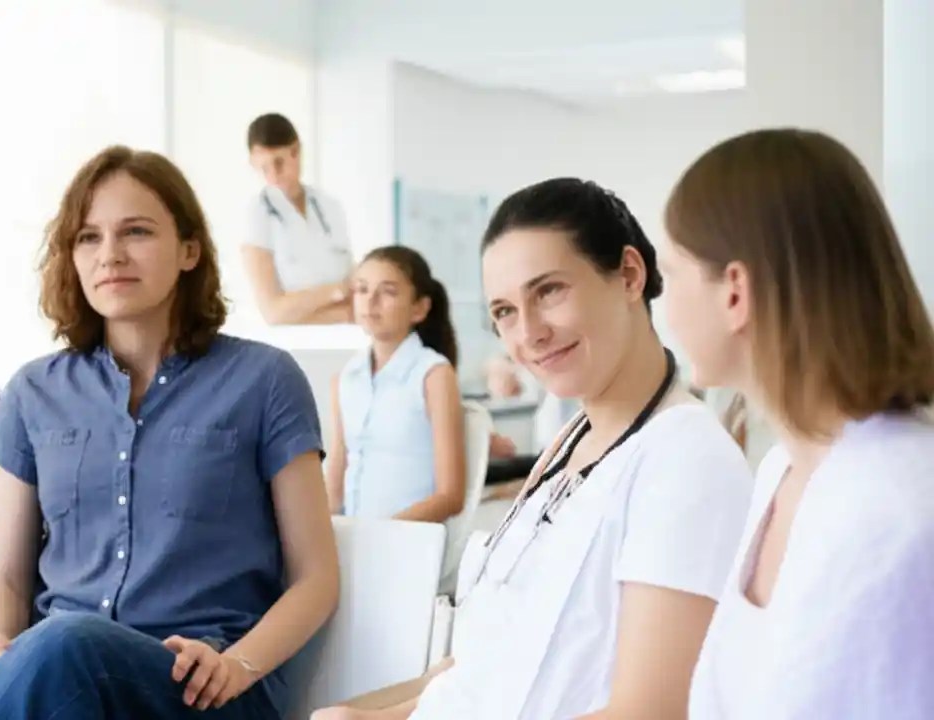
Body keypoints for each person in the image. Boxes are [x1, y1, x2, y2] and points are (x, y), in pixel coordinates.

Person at [314, 178, 754, 720]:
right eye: (503, 311)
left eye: (549, 291)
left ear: (630, 275)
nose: (530, 333)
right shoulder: (570, 446)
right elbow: (485, 665)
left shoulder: (686, 460)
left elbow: (650, 713)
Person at [0, 146, 339, 720]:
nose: (109, 255)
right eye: (87, 237)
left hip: (204, 687)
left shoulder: (265, 381)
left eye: (135, 232)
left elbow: (317, 578)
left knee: (66, 642)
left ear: (189, 250)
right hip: (62, 684)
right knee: (55, 652)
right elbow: (7, 577)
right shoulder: (32, 393)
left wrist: (238, 666)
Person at [661, 129, 934, 718]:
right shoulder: (783, 470)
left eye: (673, 274)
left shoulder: (896, 507)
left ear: (735, 291)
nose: (667, 306)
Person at [325, 246, 466, 523]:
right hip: (356, 542)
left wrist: (382, 536)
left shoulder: (433, 374)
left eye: (387, 292)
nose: (370, 301)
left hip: (407, 544)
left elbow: (450, 496)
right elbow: (335, 482)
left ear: (419, 308)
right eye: (362, 289)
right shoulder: (344, 378)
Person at [241, 113, 354, 325]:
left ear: (296, 151)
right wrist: (337, 293)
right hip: (291, 344)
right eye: (263, 168)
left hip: (343, 340)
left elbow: (356, 295)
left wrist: (303, 307)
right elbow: (274, 314)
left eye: (279, 162)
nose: (273, 175)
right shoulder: (257, 215)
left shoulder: (330, 207)